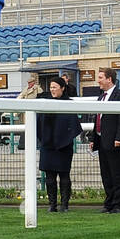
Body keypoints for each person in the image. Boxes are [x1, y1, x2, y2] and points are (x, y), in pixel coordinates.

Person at [38, 77, 82, 212]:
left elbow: (73, 125)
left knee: (64, 175)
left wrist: (65, 139)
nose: (52, 90)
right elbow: (39, 124)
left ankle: (64, 205)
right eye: (51, 87)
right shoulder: (45, 102)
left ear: (62, 88)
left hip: (64, 146)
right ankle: (52, 205)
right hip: (47, 145)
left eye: (55, 87)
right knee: (49, 177)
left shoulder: (69, 103)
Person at [90, 67, 120, 213]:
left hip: (115, 142)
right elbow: (97, 119)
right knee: (106, 174)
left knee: (118, 174)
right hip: (102, 141)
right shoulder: (101, 97)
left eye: (100, 77)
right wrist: (93, 138)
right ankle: (109, 203)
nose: (98, 80)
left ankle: (119, 205)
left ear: (109, 79)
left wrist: (119, 138)